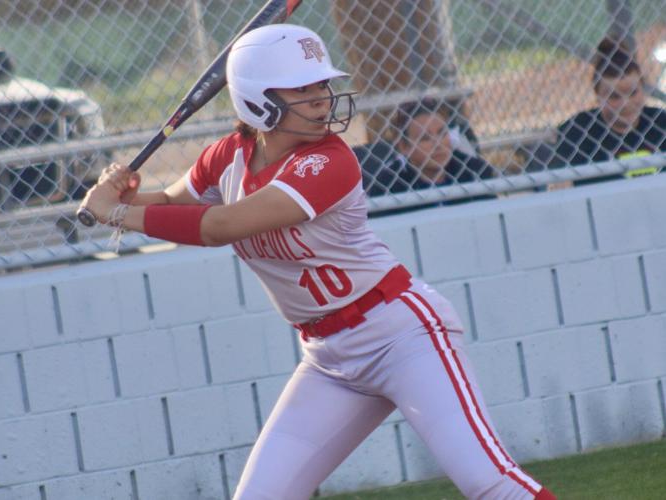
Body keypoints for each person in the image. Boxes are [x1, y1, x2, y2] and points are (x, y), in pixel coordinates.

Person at [79, 24, 554, 500]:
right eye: (303, 88)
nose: (322, 98)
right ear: (256, 99)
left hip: (400, 336)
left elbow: (218, 227)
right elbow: (170, 203)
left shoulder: (330, 160)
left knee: (490, 483)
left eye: (322, 85)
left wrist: (118, 213)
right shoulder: (226, 156)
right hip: (327, 358)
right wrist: (119, 190)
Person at [550, 37, 666, 185]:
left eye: (633, 93)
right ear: (598, 95)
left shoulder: (660, 123)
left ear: (643, 88)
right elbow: (559, 188)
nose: (625, 104)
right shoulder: (578, 131)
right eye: (614, 96)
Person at [361, 98, 497, 204]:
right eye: (425, 138)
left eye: (442, 133)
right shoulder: (388, 185)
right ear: (404, 147)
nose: (438, 144)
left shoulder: (475, 170)